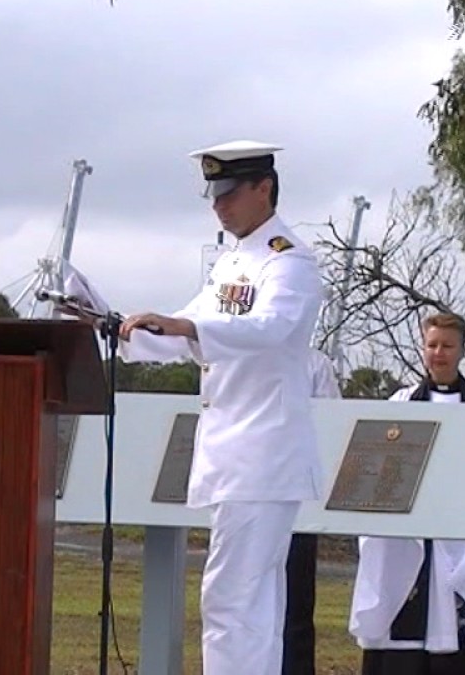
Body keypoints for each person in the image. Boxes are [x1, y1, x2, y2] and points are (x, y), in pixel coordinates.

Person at [106, 140, 324, 675]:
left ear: (263, 189)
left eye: (229, 193)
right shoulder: (231, 262)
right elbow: (184, 333)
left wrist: (187, 326)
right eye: (213, 194)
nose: (217, 206)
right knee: (249, 603)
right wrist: (121, 333)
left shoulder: (289, 261)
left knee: (233, 600)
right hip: (236, 457)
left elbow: (270, 329)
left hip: (262, 455)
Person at [349, 312, 465, 675]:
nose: (438, 353)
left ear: (462, 350)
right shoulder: (400, 404)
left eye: (447, 346)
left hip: (458, 534)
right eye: (431, 345)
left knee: (449, 630)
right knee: (401, 624)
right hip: (407, 534)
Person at [282, 347, 343, 675]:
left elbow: (331, 426)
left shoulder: (314, 364)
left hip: (297, 507)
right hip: (246, 499)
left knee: (296, 609)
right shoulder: (238, 355)